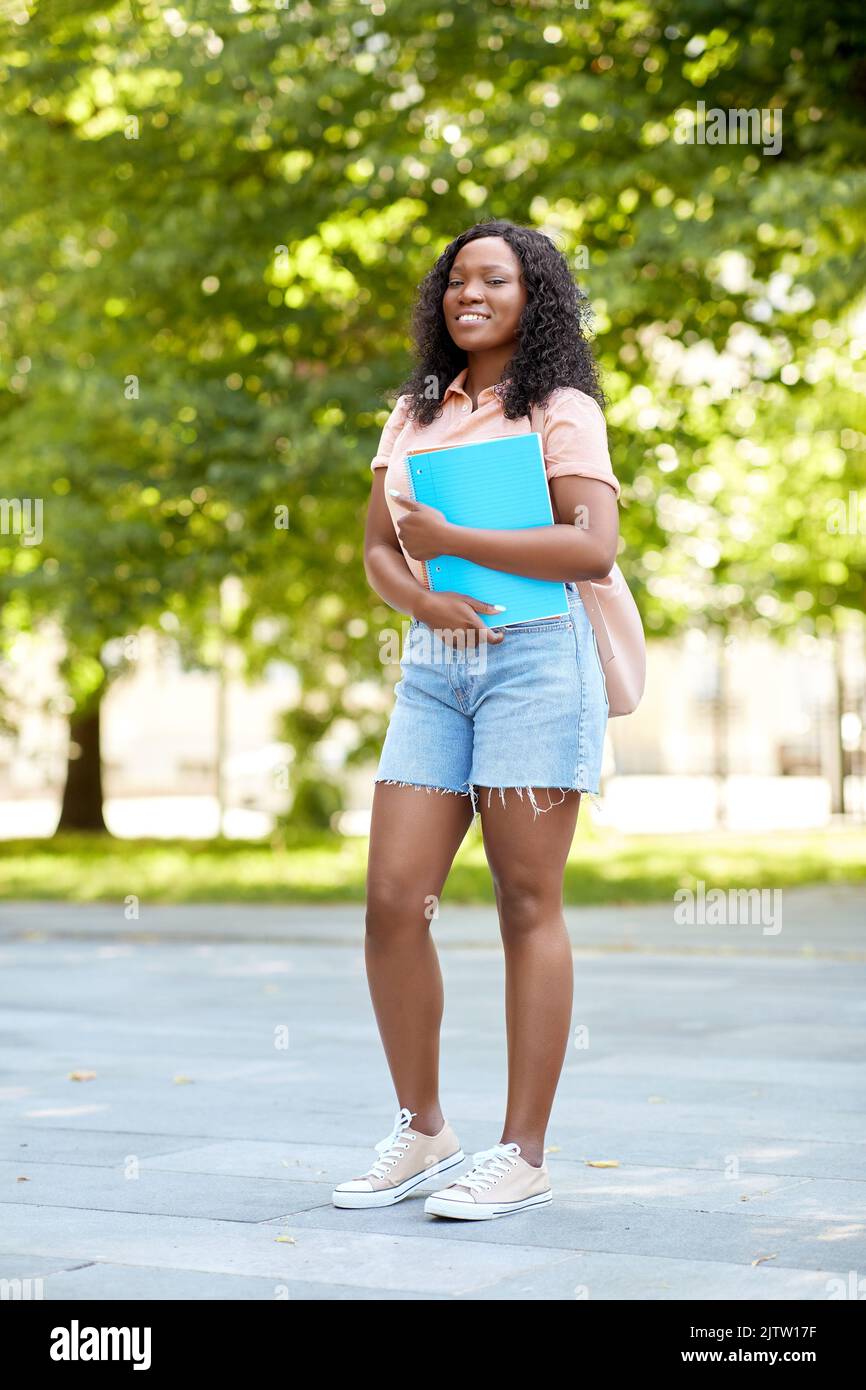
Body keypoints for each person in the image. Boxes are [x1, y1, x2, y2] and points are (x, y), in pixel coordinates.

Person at [333, 219, 621, 1220]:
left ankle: (523, 1150)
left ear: (532, 297)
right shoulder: (412, 410)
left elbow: (591, 546)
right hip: (434, 668)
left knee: (522, 899)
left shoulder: (560, 407)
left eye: (493, 279)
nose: (469, 294)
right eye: (456, 280)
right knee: (391, 896)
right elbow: (377, 548)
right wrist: (423, 598)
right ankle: (422, 1128)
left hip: (536, 664)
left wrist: (455, 537)